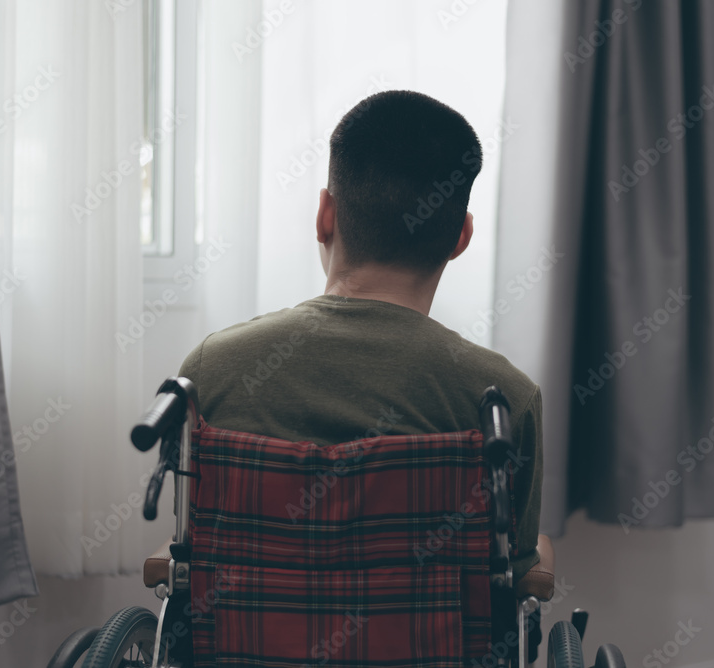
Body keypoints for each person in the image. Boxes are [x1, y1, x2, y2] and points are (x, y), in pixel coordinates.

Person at [178, 89, 543, 579]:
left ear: (325, 215)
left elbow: (192, 548)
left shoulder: (211, 369)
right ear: (461, 236)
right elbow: (514, 574)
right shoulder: (504, 401)